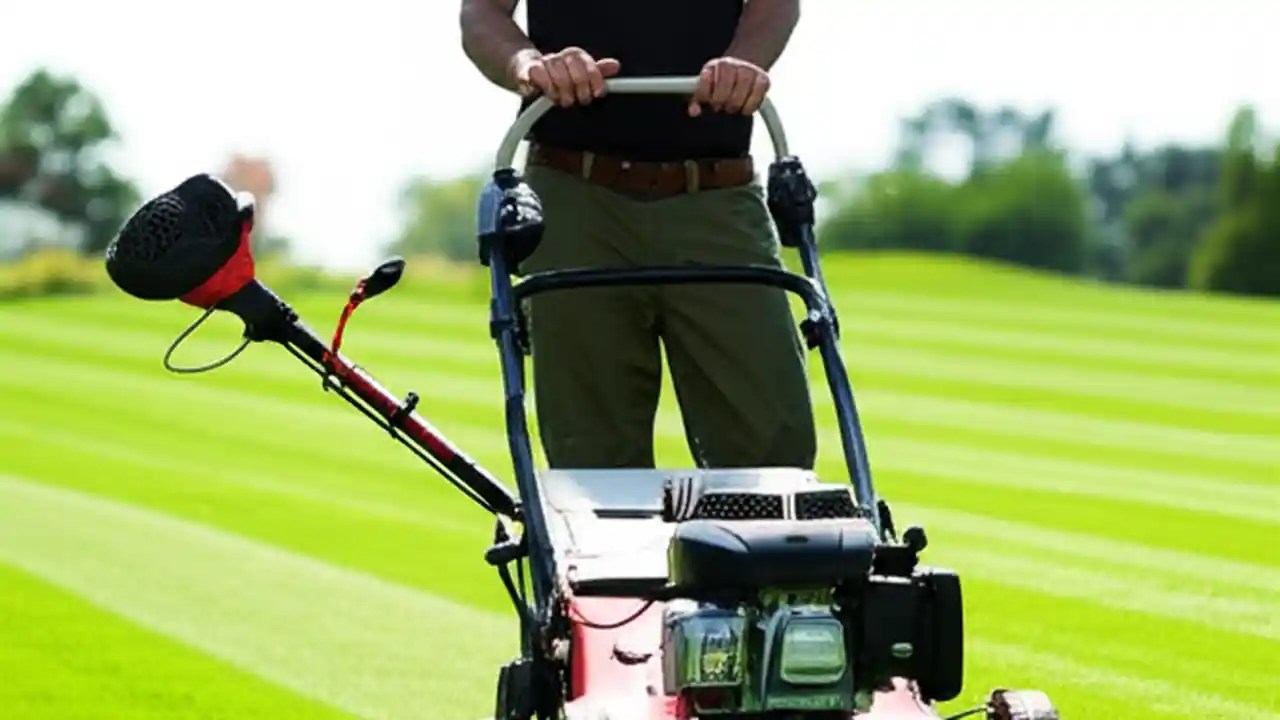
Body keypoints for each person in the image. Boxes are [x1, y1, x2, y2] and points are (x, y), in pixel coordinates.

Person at [460, 0, 816, 472]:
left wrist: (744, 63)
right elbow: (482, 13)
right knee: (590, 456)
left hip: (718, 194)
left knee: (772, 450)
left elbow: (775, 6)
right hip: (574, 196)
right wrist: (529, 65)